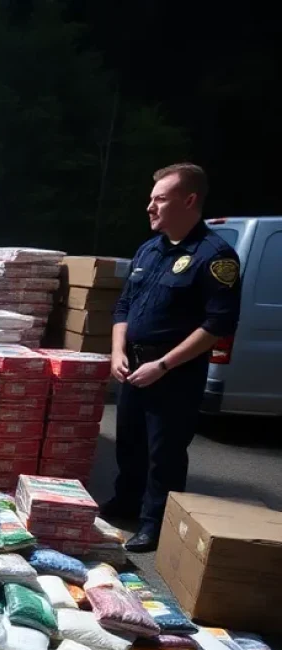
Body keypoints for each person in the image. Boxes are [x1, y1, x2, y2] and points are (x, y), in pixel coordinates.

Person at [103, 162, 241, 553]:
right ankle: (125, 502)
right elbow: (123, 307)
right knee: (128, 442)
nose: (150, 207)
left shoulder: (215, 256)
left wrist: (162, 365)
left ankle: (155, 523)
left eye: (160, 199)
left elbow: (218, 325)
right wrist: (117, 352)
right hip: (133, 366)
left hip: (174, 374)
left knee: (163, 452)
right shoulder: (149, 249)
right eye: (151, 199)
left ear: (189, 200)